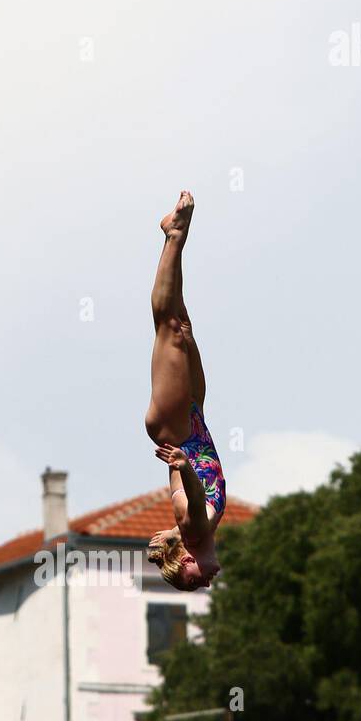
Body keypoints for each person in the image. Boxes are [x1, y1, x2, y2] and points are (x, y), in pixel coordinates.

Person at [145, 191, 225, 590]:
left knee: (168, 327)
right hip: (194, 421)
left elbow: (193, 496)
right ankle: (175, 238)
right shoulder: (200, 532)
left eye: (193, 582)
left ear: (186, 559)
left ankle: (173, 236)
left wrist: (182, 465)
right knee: (182, 327)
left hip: (178, 430)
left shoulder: (195, 529)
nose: (206, 584)